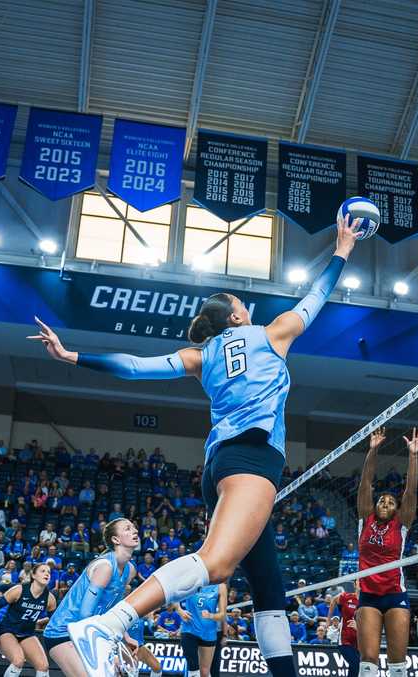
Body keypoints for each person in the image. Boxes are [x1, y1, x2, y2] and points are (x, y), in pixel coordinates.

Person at [30, 215, 361, 677]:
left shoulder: (200, 356)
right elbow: (317, 296)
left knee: (268, 587)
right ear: (236, 316)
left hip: (219, 466)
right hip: (252, 457)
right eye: (243, 304)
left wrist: (74, 356)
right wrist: (343, 248)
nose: (249, 307)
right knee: (219, 563)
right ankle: (107, 624)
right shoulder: (273, 334)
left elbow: (133, 366)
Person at [355, 427, 418, 677]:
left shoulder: (401, 524)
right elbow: (366, 482)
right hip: (369, 596)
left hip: (395, 594)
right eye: (381, 500)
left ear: (397, 509)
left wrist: (413, 455)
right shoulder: (366, 518)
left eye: (390, 502)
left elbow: (411, 491)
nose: (385, 503)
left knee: (397, 664)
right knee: (368, 662)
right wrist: (373, 450)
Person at [41, 518, 138, 677]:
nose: (134, 531)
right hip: (64, 633)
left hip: (89, 631)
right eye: (127, 529)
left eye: (134, 528)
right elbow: (84, 616)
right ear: (115, 539)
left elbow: (115, 607)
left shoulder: (130, 570)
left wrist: (125, 636)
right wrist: (107, 648)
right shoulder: (105, 567)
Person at [0, 564, 57, 677]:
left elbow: (54, 620)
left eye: (49, 572)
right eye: (43, 571)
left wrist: (40, 622)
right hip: (6, 631)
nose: (47, 574)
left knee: (43, 666)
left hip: (27, 634)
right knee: (18, 660)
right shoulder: (19, 590)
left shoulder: (50, 599)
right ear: (33, 575)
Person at [177, 583, 227, 677]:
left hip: (209, 633)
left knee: (204, 673)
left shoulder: (220, 586)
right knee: (193, 668)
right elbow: (173, 595)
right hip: (189, 630)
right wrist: (180, 611)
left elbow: (223, 615)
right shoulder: (193, 580)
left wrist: (210, 616)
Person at [328, 582, 361, 677]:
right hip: (345, 640)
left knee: (354, 669)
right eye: (359, 581)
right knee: (356, 664)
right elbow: (333, 600)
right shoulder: (346, 597)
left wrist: (358, 627)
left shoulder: (367, 602)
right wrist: (328, 621)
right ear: (355, 584)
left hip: (359, 642)